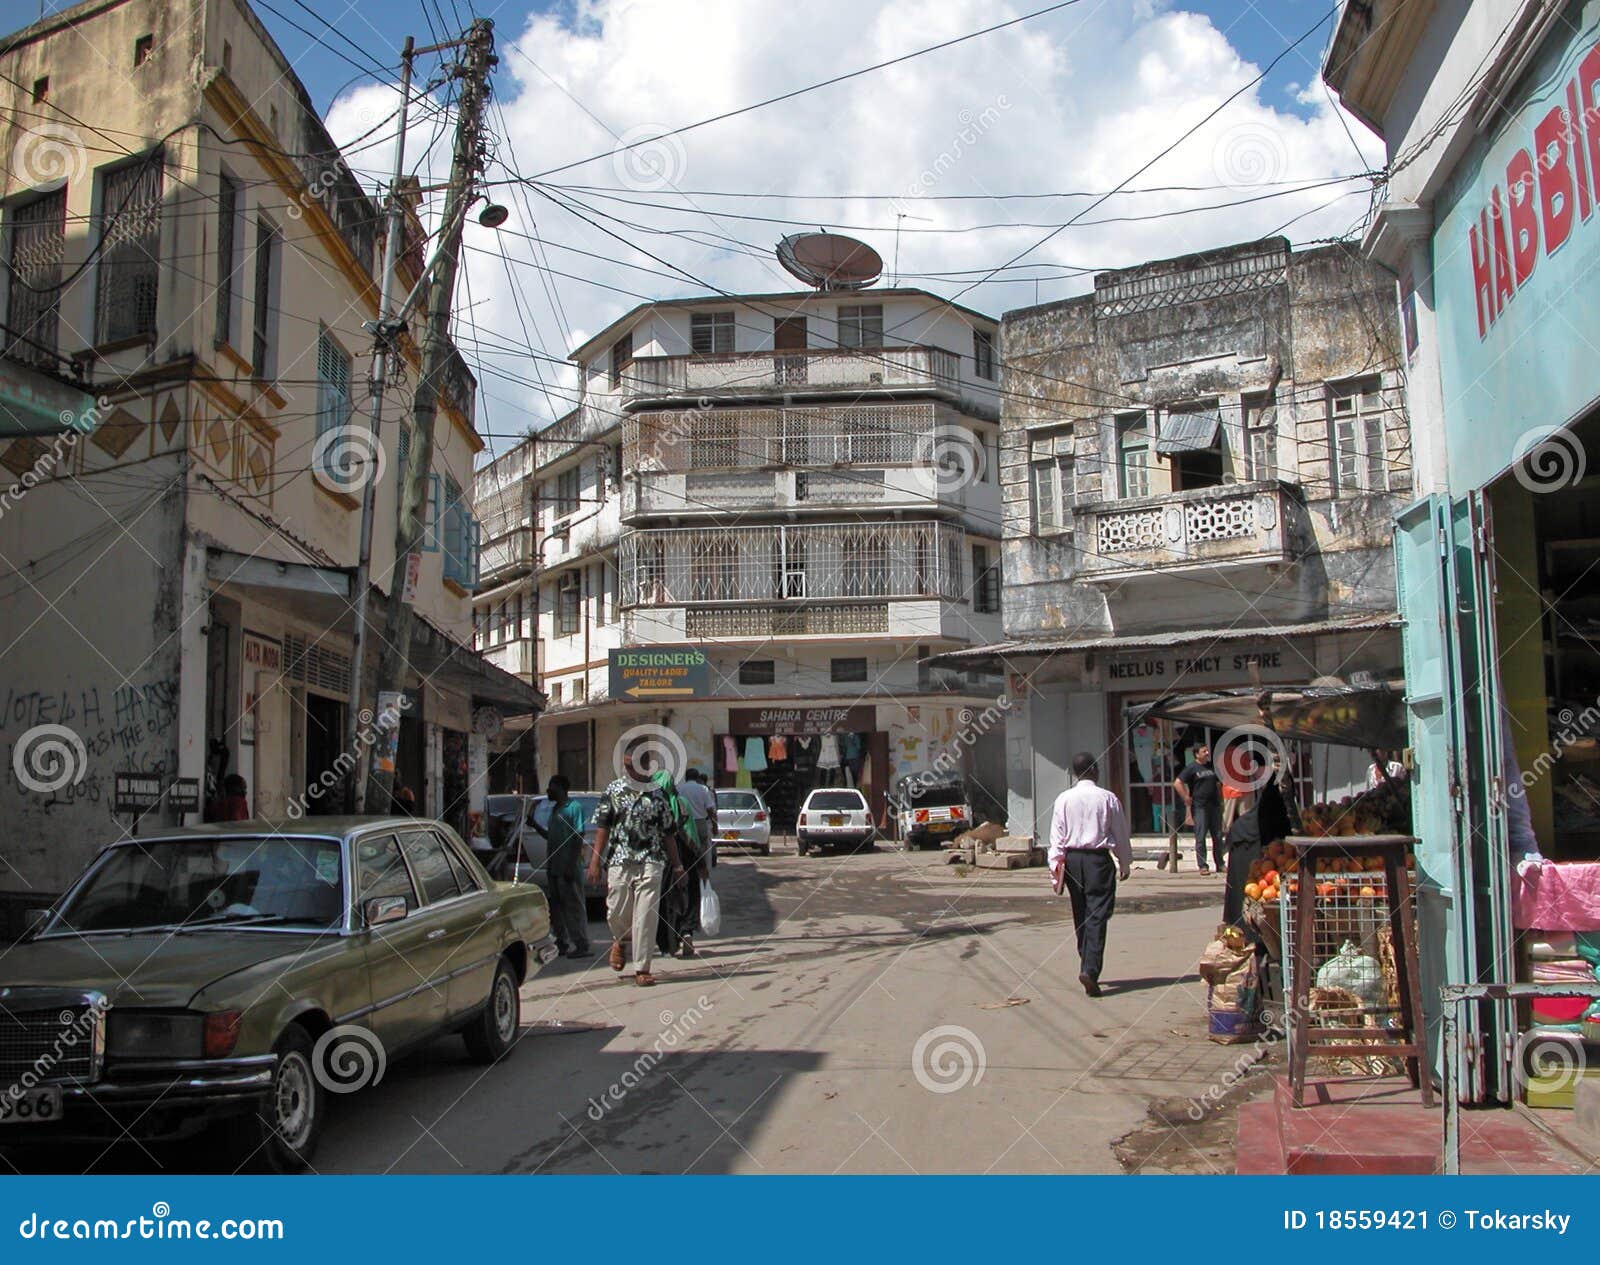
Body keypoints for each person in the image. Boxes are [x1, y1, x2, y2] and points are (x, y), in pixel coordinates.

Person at [587, 756, 688, 987]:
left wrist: (678, 866)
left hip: (651, 859)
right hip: (620, 859)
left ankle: (642, 968)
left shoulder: (658, 794)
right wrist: (595, 861)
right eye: (629, 766)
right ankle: (620, 939)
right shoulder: (614, 790)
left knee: (646, 915)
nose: (632, 771)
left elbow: (668, 833)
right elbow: (602, 826)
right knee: (616, 908)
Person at [1047, 753, 1132, 997]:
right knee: (1097, 915)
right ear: (1094, 769)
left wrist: (1055, 870)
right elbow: (1120, 833)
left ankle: (1086, 959)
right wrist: (1124, 862)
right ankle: (1090, 969)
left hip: (1073, 861)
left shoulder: (1063, 799)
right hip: (1098, 860)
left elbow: (1057, 838)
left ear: (1075, 773)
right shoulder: (1107, 798)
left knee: (1080, 913)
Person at [530, 775, 590, 959]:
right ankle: (562, 942)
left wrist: (571, 866)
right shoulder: (556, 809)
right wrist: (535, 826)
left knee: (574, 907)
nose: (548, 791)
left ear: (561, 788)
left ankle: (581, 943)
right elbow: (552, 837)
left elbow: (578, 837)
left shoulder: (573, 808)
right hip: (554, 868)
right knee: (556, 908)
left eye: (551, 787)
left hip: (568, 867)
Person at [656, 769, 711, 959]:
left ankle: (667, 944)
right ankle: (687, 932)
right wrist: (701, 863)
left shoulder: (654, 806)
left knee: (666, 902)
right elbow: (692, 835)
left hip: (663, 862)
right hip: (686, 857)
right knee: (690, 895)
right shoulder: (681, 803)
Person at [1171, 744, 1223, 874]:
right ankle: (1202, 866)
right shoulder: (1192, 768)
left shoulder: (1211, 766)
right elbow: (1177, 783)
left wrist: (1221, 799)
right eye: (1204, 751)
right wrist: (1186, 797)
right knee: (1200, 837)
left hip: (1214, 806)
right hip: (1200, 807)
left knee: (1217, 836)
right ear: (1196, 754)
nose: (1207, 753)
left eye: (1207, 750)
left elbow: (1218, 783)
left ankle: (1220, 864)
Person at [677, 768, 718, 868]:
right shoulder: (703, 789)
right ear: (697, 778)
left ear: (686, 778)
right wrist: (714, 825)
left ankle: (689, 871)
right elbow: (710, 809)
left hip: (685, 824)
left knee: (686, 849)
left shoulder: (680, 789)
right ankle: (703, 873)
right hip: (701, 823)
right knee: (703, 851)